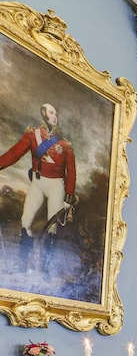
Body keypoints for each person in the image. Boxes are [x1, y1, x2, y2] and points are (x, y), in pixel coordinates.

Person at [0, 103, 77, 251]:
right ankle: (23, 264)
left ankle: (47, 268)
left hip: (56, 187)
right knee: (26, 221)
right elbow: (14, 153)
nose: (54, 116)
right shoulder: (32, 135)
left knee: (51, 226)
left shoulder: (65, 144)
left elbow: (71, 172)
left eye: (55, 113)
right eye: (51, 113)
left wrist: (69, 197)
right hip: (37, 184)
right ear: (43, 114)